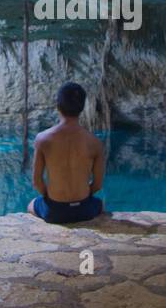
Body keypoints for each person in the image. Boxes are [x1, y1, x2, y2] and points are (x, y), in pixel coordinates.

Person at [26, 82, 106, 223]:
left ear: (58, 106)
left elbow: (37, 182)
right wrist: (82, 197)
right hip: (84, 210)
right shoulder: (95, 142)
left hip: (54, 211)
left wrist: (49, 196)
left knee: (31, 205)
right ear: (81, 108)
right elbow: (98, 184)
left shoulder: (43, 139)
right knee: (100, 204)